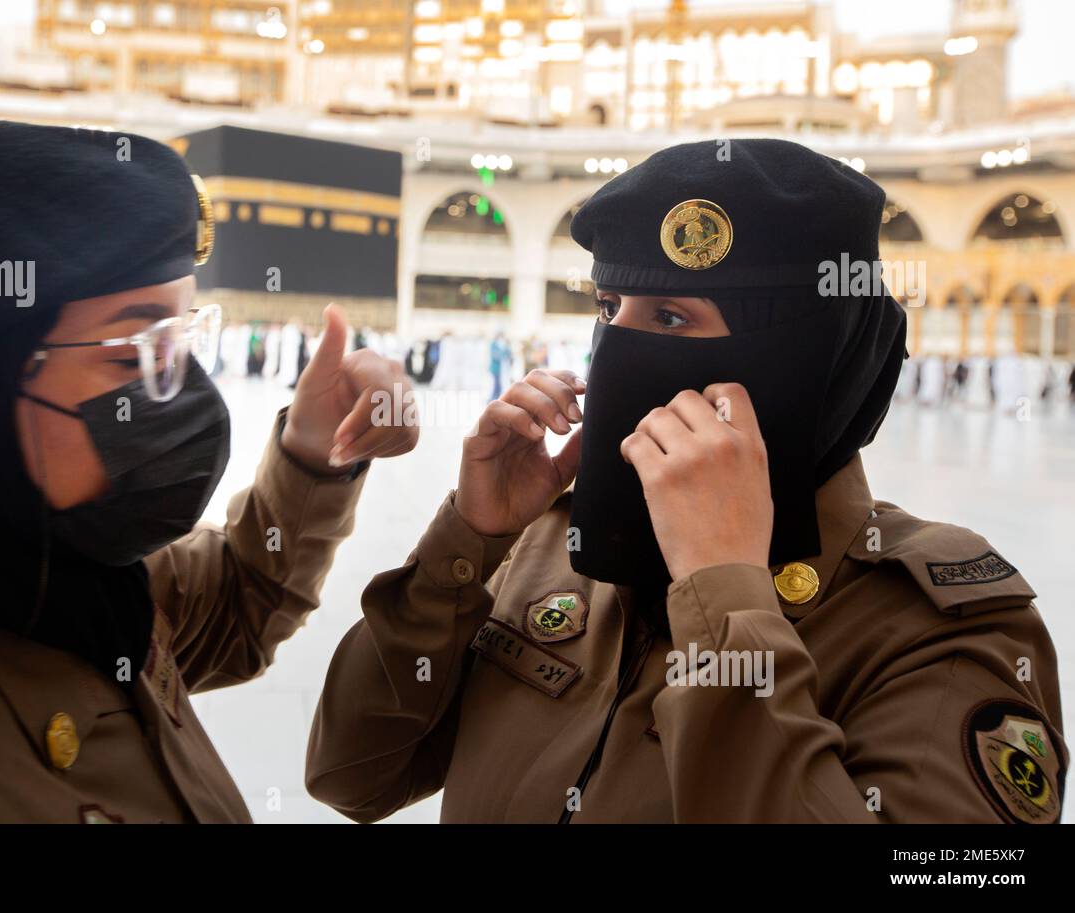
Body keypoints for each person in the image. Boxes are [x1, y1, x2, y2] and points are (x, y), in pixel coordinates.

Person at [305, 139, 1066, 823]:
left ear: (807, 359)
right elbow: (353, 773)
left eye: (670, 318)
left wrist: (722, 588)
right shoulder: (553, 549)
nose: (619, 352)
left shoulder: (945, 632)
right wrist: (468, 546)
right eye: (609, 309)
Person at [0, 120, 418, 823]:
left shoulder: (31, 554)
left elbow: (238, 603)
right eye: (132, 351)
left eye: (180, 339)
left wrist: (314, 453)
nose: (183, 393)